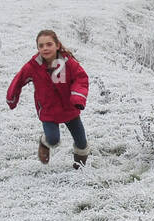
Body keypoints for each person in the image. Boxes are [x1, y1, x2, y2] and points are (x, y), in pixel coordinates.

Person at [6, 29, 91, 167]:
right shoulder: (33, 66)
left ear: (57, 45)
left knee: (81, 143)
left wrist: (78, 97)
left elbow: (81, 78)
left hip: (69, 108)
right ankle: (44, 143)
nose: (45, 48)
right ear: (38, 48)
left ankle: (79, 168)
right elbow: (19, 80)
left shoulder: (67, 62)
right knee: (53, 139)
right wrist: (12, 98)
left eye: (49, 44)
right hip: (48, 110)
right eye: (41, 46)